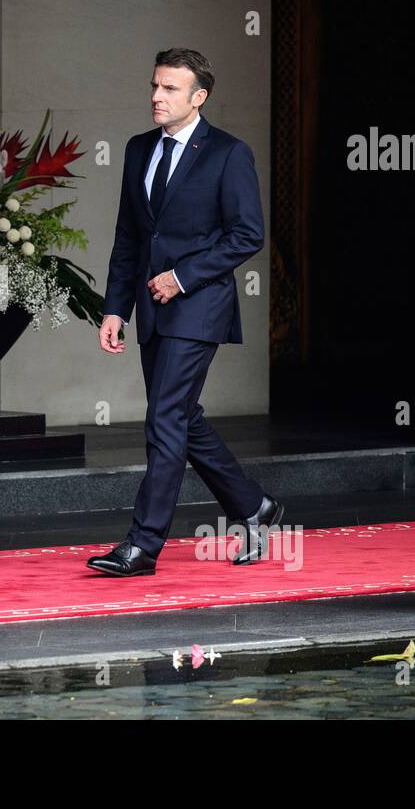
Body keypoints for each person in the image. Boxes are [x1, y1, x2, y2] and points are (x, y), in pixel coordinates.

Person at [89, 48, 283, 577]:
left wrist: (182, 277)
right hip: (151, 309)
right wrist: (115, 309)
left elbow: (248, 234)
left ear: (199, 97)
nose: (157, 96)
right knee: (179, 416)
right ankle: (254, 507)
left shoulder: (228, 153)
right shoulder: (137, 149)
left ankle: (143, 545)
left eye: (170, 88)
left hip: (199, 306)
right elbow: (129, 236)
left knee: (165, 418)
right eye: (155, 85)